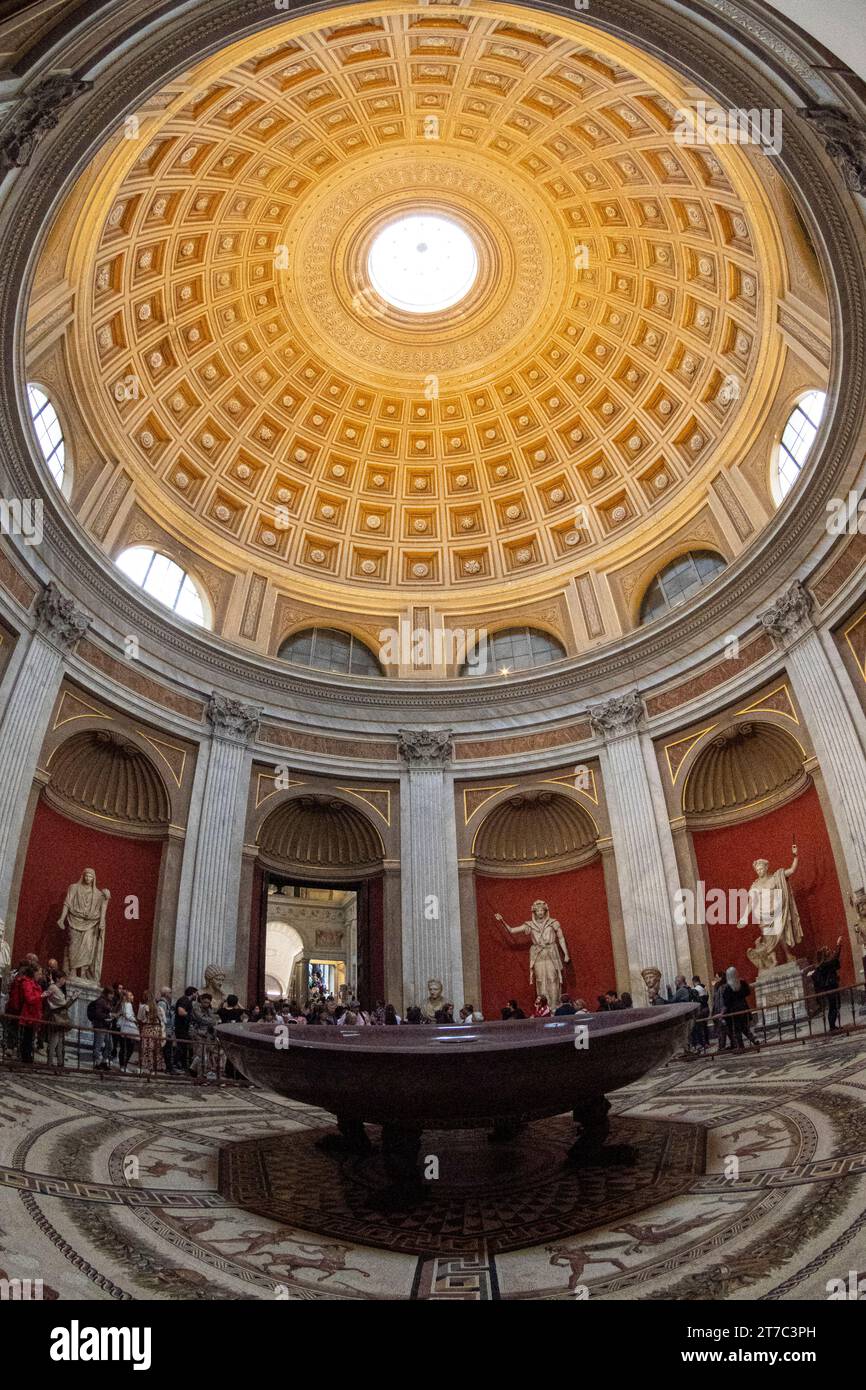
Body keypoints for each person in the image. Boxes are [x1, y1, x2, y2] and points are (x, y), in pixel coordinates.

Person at [42, 971, 77, 1069]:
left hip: (59, 1015)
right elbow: (63, 1004)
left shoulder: (57, 988)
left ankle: (59, 1062)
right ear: (58, 978)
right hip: (56, 1016)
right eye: (63, 978)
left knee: (59, 1040)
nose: (64, 980)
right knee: (54, 1040)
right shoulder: (54, 988)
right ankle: (50, 1062)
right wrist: (73, 998)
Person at [722, 966, 760, 1051]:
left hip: (734, 1011)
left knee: (737, 1030)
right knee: (745, 1028)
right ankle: (754, 1040)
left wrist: (724, 1013)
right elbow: (747, 992)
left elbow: (726, 1002)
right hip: (743, 1007)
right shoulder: (742, 983)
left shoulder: (727, 988)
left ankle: (741, 1046)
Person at [13, 965, 44, 1063]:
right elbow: (29, 998)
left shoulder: (33, 983)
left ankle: (27, 1055)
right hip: (28, 1013)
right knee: (27, 1036)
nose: (40, 975)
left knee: (29, 1036)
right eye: (39, 973)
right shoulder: (27, 983)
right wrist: (41, 996)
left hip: (33, 1013)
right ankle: (25, 1056)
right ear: (33, 973)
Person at [813, 936, 844, 1031]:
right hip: (830, 987)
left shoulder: (825, 963)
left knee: (834, 1005)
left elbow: (835, 963)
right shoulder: (824, 964)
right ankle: (832, 1026)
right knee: (832, 1006)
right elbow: (835, 959)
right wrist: (838, 944)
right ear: (824, 955)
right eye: (827, 950)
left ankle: (833, 1025)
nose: (829, 950)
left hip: (831, 986)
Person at [173, 986, 197, 1071]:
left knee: (183, 1046)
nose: (196, 996)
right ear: (193, 993)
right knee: (181, 1046)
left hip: (183, 1027)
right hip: (181, 1027)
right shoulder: (185, 1000)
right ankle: (175, 1063)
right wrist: (191, 1016)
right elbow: (180, 1011)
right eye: (196, 993)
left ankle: (182, 1065)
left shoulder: (186, 1000)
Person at [118, 990, 139, 1070]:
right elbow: (128, 1015)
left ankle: (122, 1065)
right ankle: (123, 1065)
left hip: (124, 1027)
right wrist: (135, 1020)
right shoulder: (128, 1004)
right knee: (129, 1048)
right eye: (131, 995)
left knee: (124, 1047)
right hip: (128, 1027)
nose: (133, 996)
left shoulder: (124, 1004)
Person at [157, 988, 175, 1072]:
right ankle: (169, 1068)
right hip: (165, 1029)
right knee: (167, 1049)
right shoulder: (162, 1003)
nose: (171, 994)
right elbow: (161, 1016)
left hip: (168, 1029)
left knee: (168, 1049)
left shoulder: (166, 1003)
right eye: (170, 992)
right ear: (166, 994)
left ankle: (168, 1067)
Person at [690, 976, 710, 1053]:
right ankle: (707, 1042)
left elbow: (696, 1001)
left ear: (694, 981)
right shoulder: (704, 987)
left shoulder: (695, 989)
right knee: (705, 1026)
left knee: (699, 1027)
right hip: (706, 1008)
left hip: (700, 1010)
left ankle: (702, 1043)